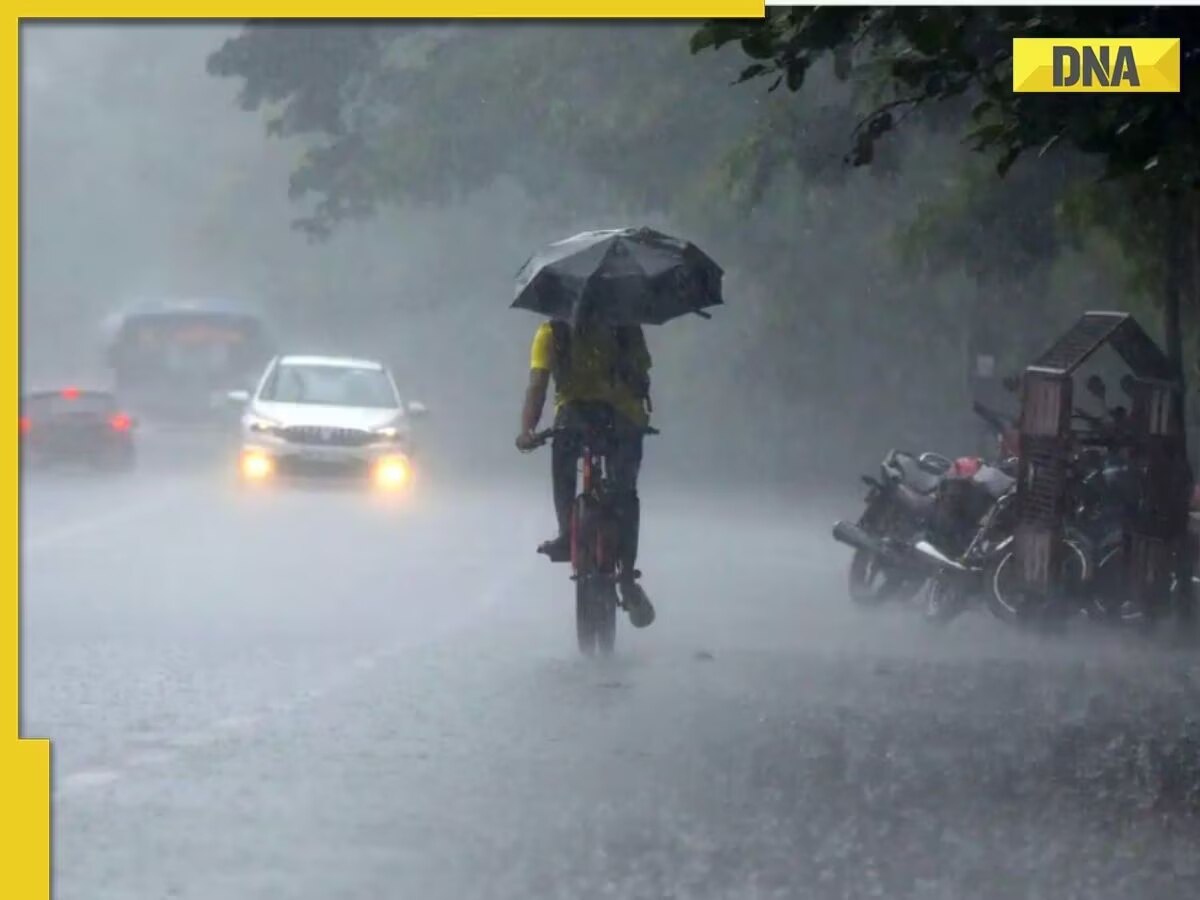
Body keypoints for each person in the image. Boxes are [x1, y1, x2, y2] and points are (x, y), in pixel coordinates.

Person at [516, 318, 655, 628]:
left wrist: (528, 431)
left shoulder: (551, 332)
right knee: (625, 492)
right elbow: (641, 377)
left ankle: (568, 532)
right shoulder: (626, 325)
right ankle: (627, 577)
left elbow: (537, 386)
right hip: (622, 418)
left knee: (563, 461)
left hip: (574, 418)